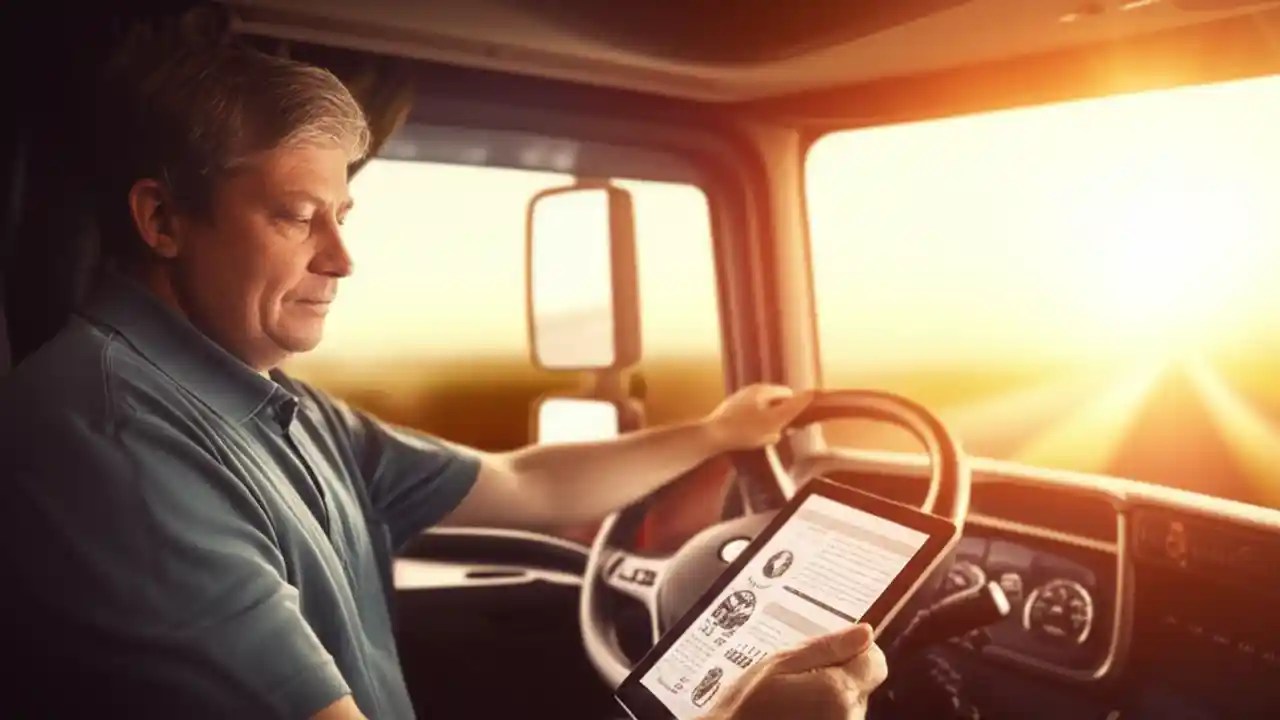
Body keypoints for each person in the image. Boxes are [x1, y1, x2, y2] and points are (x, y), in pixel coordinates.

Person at [0, 39, 886, 719]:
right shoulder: (114, 445)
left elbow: (525, 483)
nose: (342, 258)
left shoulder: (268, 404)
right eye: (298, 217)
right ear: (162, 219)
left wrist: (717, 433)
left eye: (342, 216)